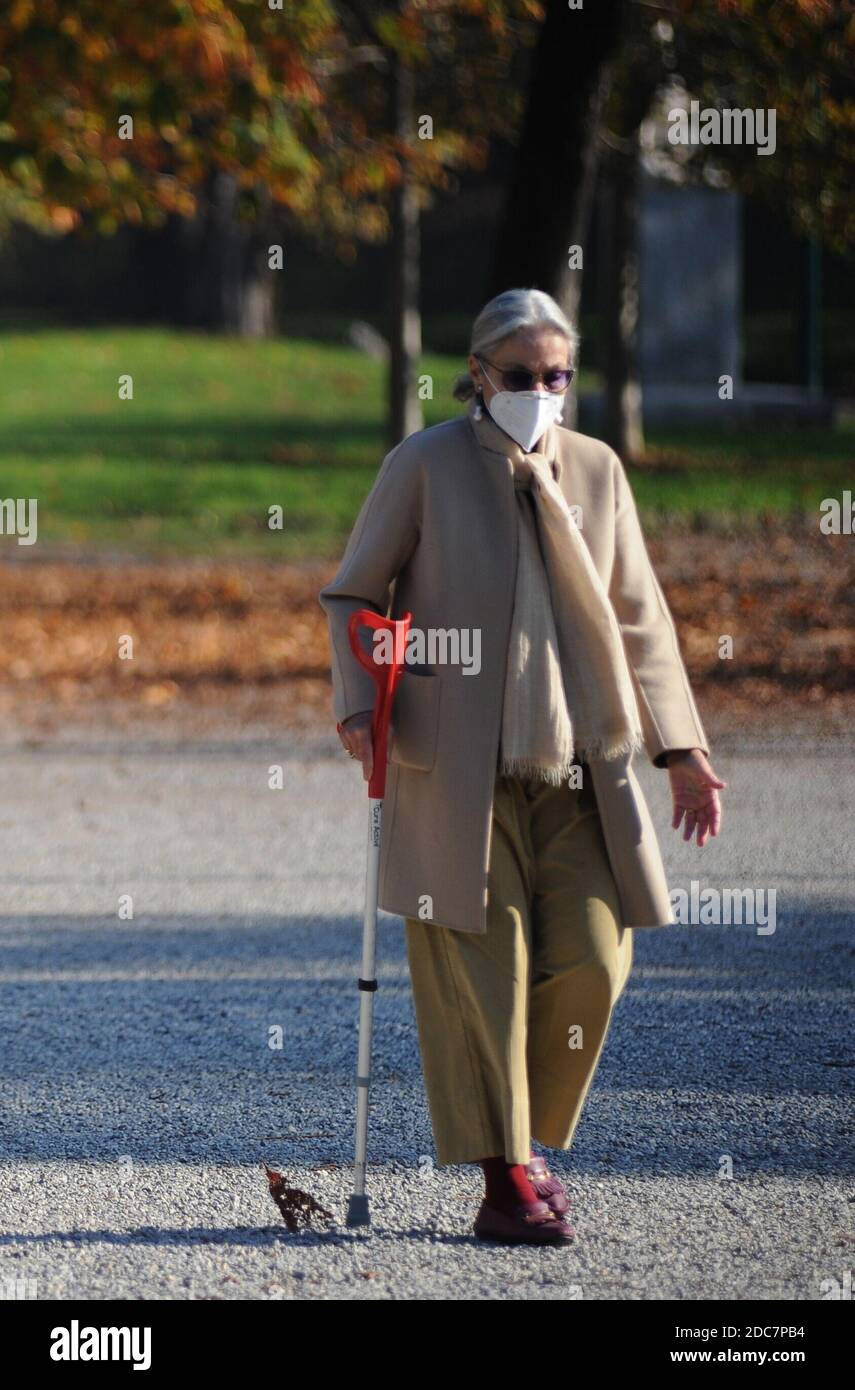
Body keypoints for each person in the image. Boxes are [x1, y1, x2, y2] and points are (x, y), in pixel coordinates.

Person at [319, 287, 726, 1245]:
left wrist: (686, 751)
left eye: (557, 376)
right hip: (457, 771)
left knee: (594, 957)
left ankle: (525, 1142)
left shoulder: (595, 469)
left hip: (586, 770)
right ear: (476, 376)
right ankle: (507, 1180)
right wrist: (357, 706)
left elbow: (638, 617)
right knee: (484, 971)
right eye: (521, 376)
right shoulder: (422, 465)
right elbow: (350, 595)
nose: (541, 392)